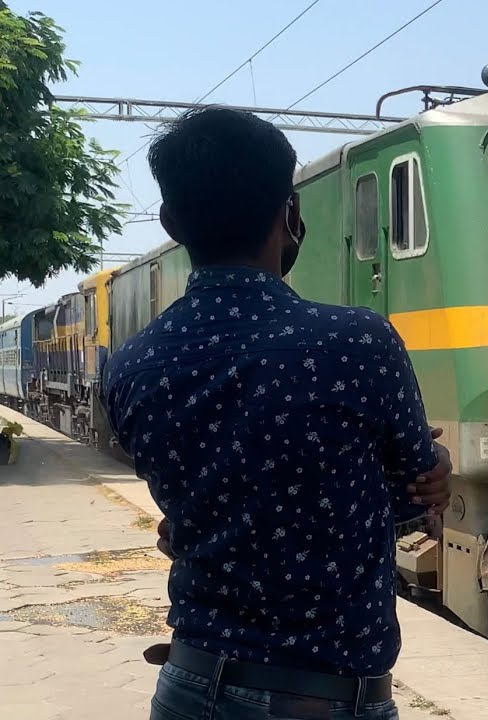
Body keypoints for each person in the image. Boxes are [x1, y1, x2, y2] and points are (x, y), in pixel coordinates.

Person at [101, 107, 450, 720]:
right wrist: (435, 462)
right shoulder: (358, 343)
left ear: (170, 223)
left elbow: (190, 504)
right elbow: (412, 496)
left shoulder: (133, 365)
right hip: (325, 699)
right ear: (291, 216)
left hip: (187, 687)